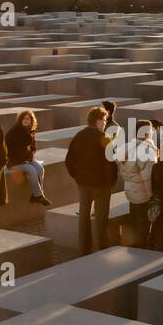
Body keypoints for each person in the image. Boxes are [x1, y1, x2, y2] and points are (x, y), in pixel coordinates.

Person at [65, 105, 118, 254]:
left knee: (84, 216)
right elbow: (112, 160)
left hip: (83, 183)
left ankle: (84, 249)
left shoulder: (79, 136)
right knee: (101, 218)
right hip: (101, 185)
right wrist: (111, 181)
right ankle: (102, 248)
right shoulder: (104, 137)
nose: (105, 123)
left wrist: (77, 177)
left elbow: (69, 161)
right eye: (104, 120)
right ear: (98, 121)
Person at [119, 121, 158, 247]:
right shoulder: (146, 151)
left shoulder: (127, 147)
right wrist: (152, 195)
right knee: (143, 226)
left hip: (130, 190)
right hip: (143, 193)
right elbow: (148, 178)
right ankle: (142, 252)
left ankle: (135, 249)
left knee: (135, 222)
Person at [5, 109, 51, 206]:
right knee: (31, 170)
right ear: (20, 120)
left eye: (28, 119)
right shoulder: (15, 132)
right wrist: (28, 154)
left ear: (31, 120)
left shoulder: (30, 131)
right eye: (24, 119)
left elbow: (33, 148)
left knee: (40, 169)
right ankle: (39, 196)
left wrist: (30, 154)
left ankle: (36, 195)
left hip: (26, 158)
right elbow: (13, 150)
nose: (26, 120)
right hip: (14, 161)